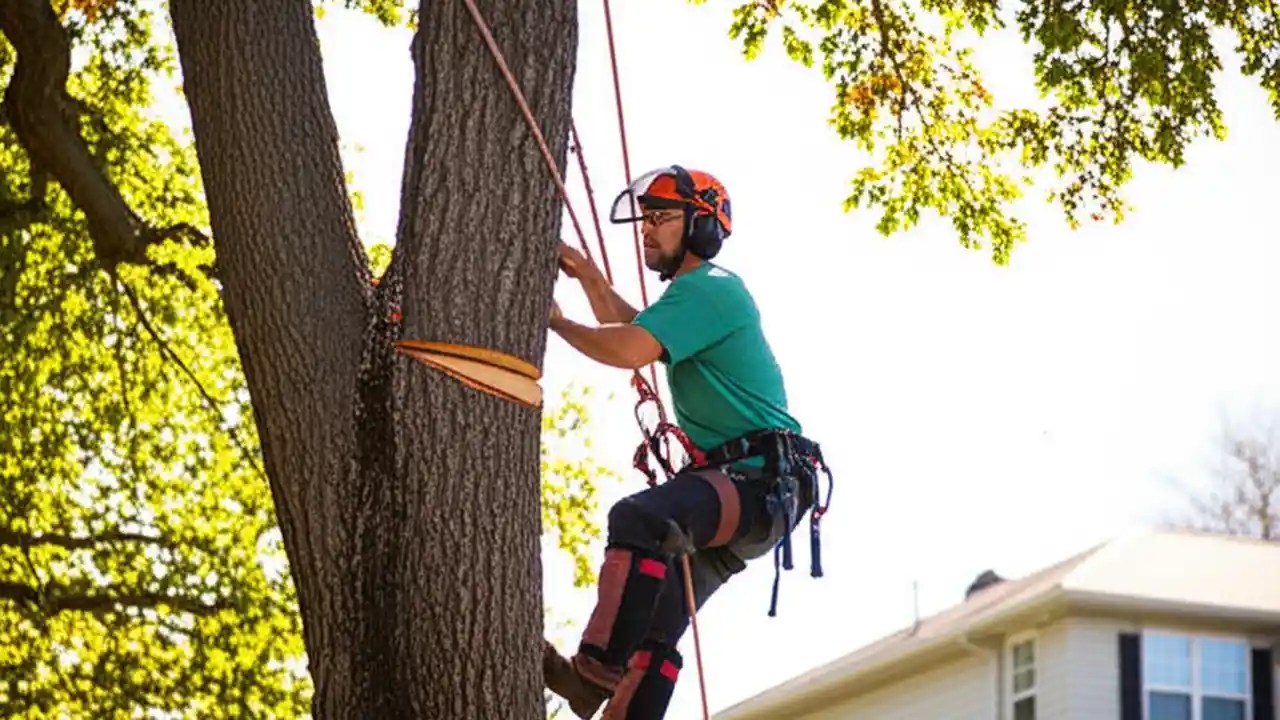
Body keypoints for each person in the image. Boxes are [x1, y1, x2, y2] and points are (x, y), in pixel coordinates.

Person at [543, 165, 830, 719]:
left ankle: (592, 674)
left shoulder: (712, 289)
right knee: (656, 621)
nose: (647, 230)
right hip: (753, 491)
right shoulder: (693, 300)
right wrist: (584, 276)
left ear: (700, 226)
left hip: (758, 482)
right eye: (645, 219)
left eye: (662, 217)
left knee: (641, 520)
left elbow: (629, 347)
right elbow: (633, 325)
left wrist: (556, 324)